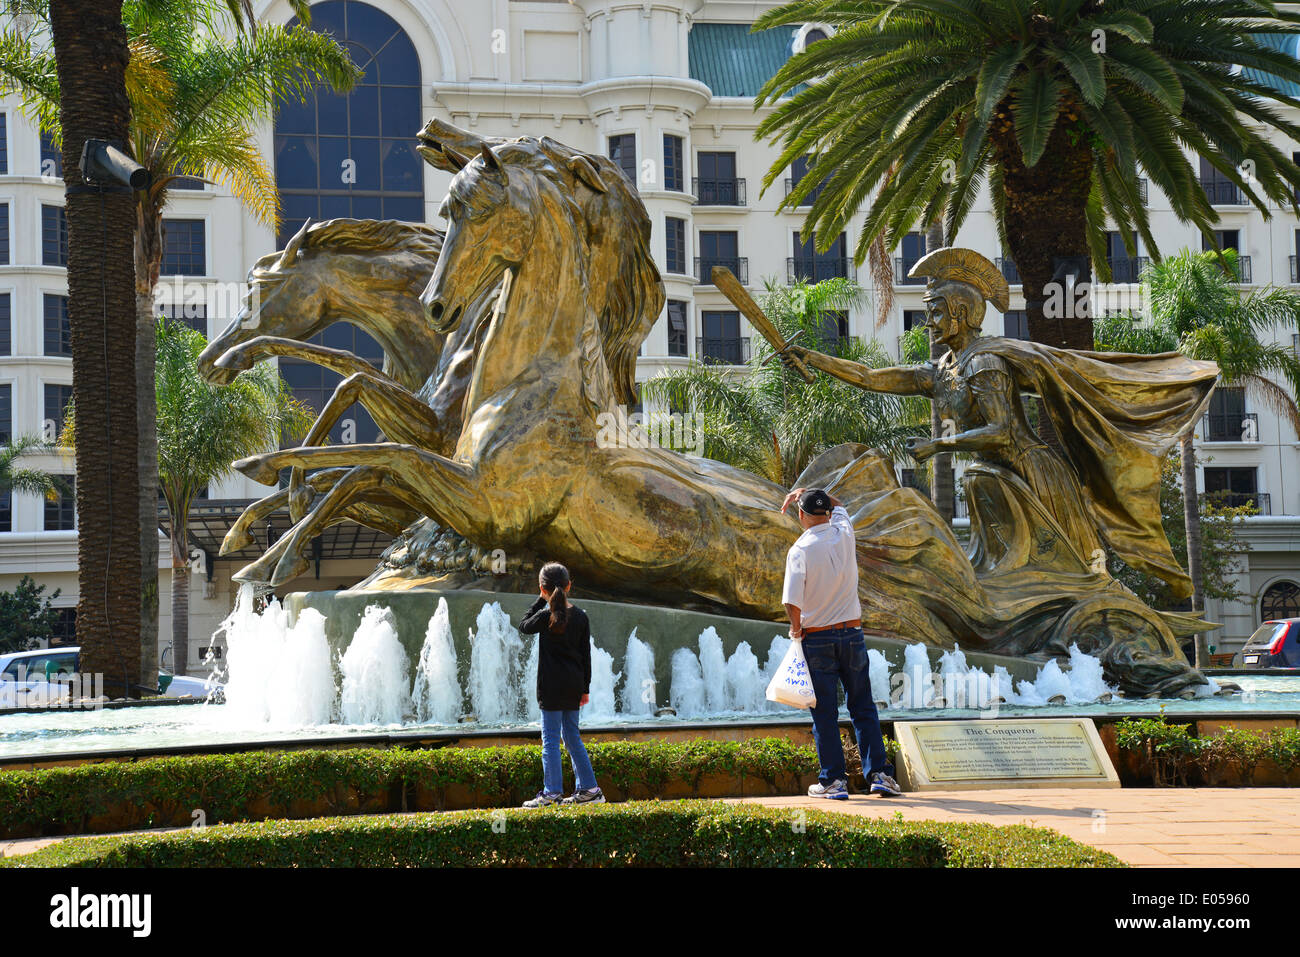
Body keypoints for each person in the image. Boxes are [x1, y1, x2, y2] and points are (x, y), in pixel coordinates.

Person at [781, 487, 901, 799]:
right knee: (863, 706)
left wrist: (796, 631)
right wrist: (812, 493)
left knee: (824, 713)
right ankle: (880, 776)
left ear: (801, 516)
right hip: (853, 635)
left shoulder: (800, 549)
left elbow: (791, 602)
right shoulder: (845, 533)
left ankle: (833, 781)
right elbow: (841, 505)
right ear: (828, 514)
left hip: (818, 637)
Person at [518, 562, 605, 808]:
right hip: (573, 686)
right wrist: (585, 688)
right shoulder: (580, 616)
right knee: (572, 737)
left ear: (542, 589)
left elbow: (523, 625)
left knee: (550, 739)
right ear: (569, 586)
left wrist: (540, 601)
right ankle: (590, 789)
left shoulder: (546, 616)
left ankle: (552, 792)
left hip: (551, 687)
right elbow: (586, 655)